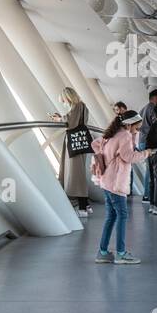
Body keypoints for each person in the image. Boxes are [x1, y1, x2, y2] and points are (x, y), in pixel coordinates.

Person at [91, 111, 154, 264]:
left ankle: (103, 252)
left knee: (111, 217)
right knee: (122, 216)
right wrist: (147, 153)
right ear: (128, 124)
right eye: (136, 127)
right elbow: (129, 157)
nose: (137, 130)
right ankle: (120, 253)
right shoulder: (125, 135)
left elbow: (96, 144)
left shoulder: (112, 133)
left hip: (106, 181)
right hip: (116, 182)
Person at [56, 87, 92, 216]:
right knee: (78, 173)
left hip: (75, 144)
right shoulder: (82, 106)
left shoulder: (76, 106)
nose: (64, 102)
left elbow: (71, 122)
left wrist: (60, 119)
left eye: (64, 99)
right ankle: (86, 205)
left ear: (68, 97)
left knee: (77, 174)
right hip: (80, 143)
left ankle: (83, 207)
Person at [139, 88, 157, 201]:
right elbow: (155, 125)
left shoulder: (143, 109)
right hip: (149, 142)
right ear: (156, 98)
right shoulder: (153, 108)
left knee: (148, 169)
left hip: (142, 141)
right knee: (150, 170)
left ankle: (147, 194)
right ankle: (147, 195)